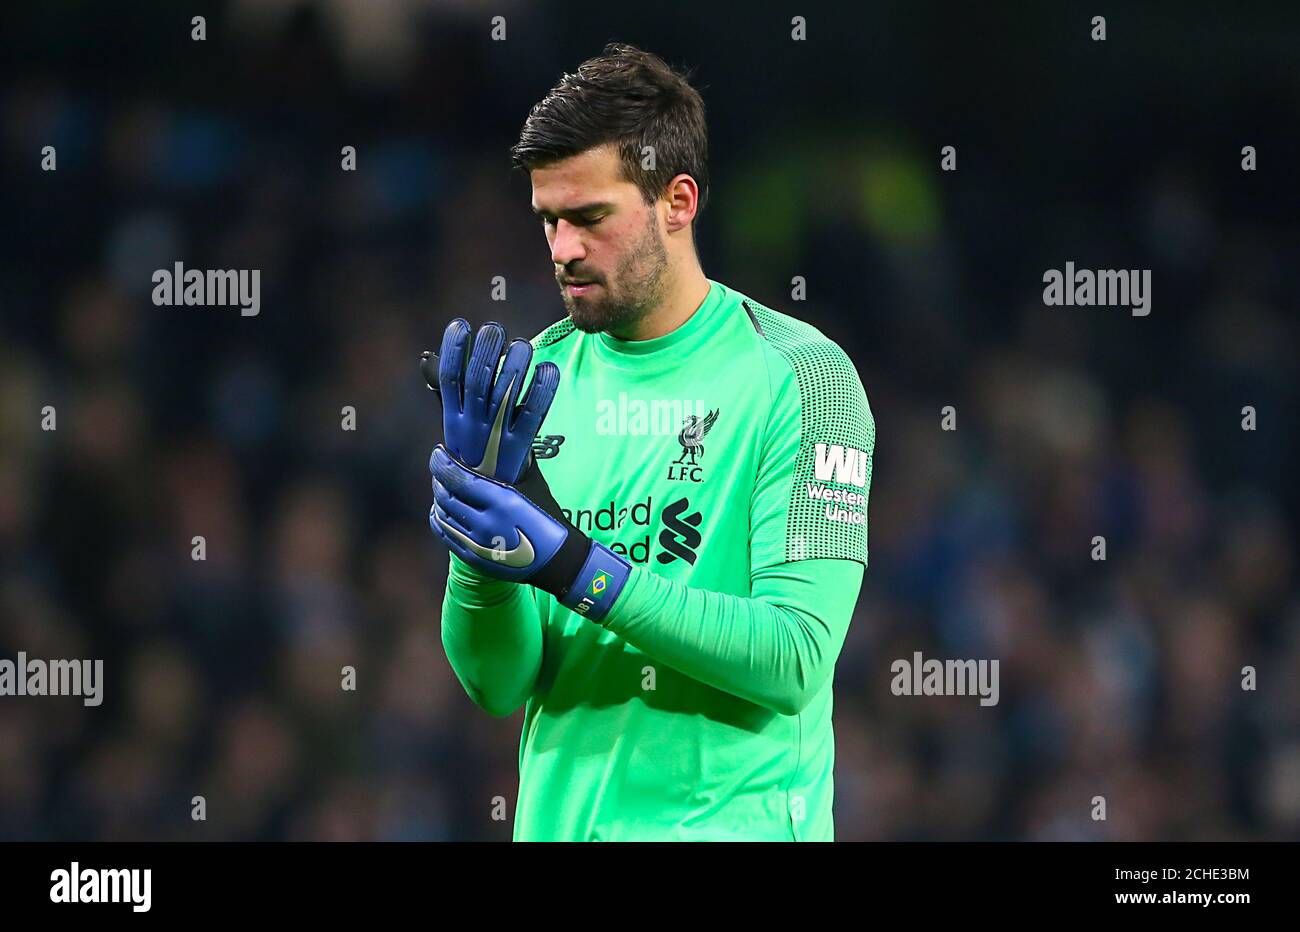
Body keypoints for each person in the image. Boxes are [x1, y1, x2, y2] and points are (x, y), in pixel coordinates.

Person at [427, 43, 875, 841]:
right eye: (549, 221)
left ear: (677, 200)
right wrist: (480, 560)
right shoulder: (535, 385)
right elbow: (498, 686)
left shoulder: (804, 380)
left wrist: (573, 565)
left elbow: (794, 656)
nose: (563, 248)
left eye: (590, 217)